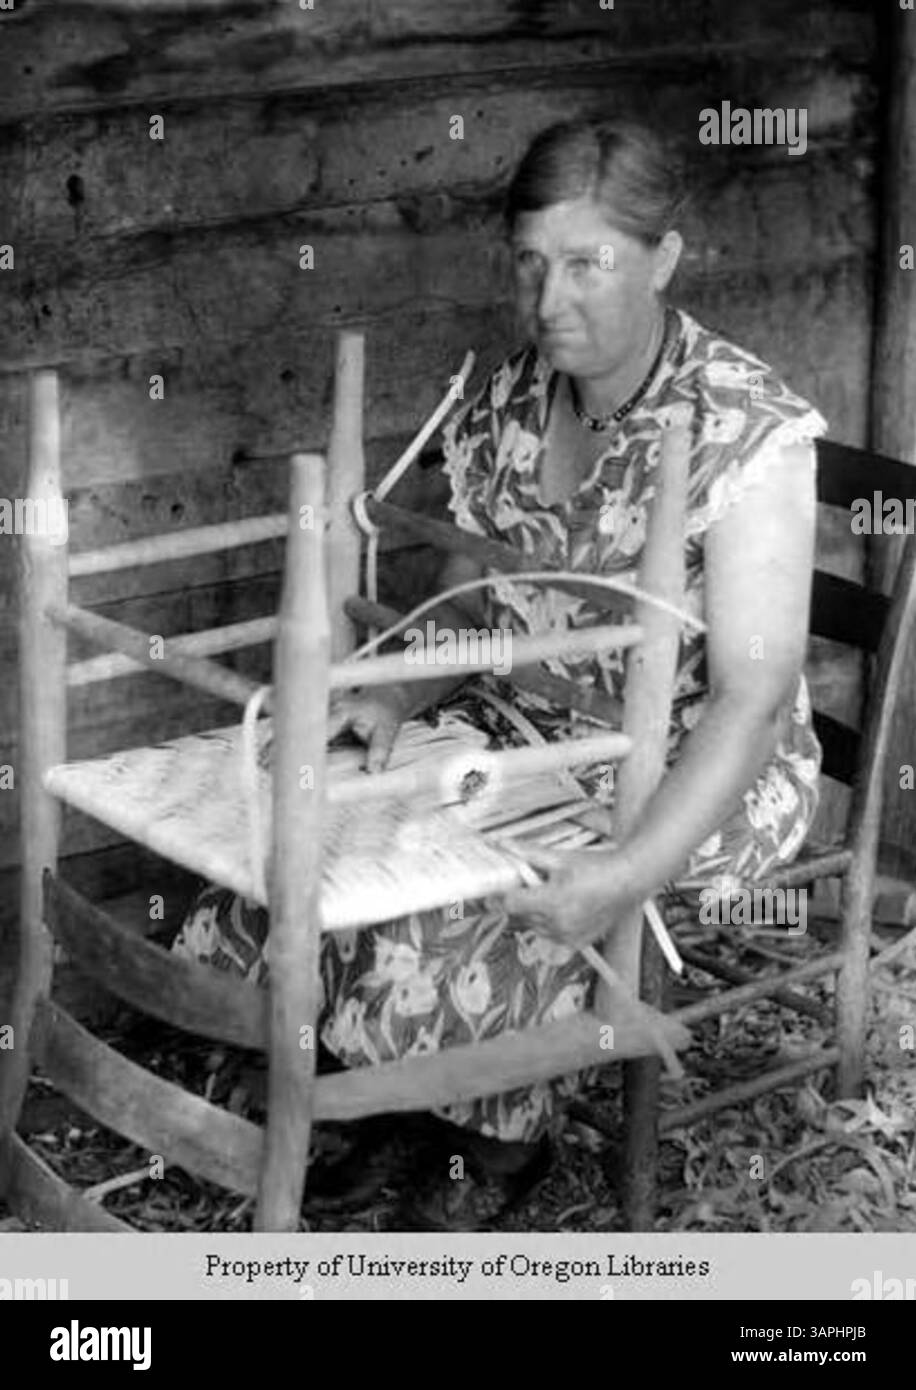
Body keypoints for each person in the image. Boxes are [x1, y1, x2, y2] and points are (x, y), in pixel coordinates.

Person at [173, 119, 825, 1229]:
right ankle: (375, 1100)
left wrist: (627, 871)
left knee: (492, 909)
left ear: (662, 258)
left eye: (588, 263)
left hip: (692, 761)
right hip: (517, 714)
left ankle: (485, 1140)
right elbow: (470, 602)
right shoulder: (504, 398)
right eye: (530, 262)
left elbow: (751, 699)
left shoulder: (746, 433)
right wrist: (396, 694)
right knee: (327, 840)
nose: (549, 299)